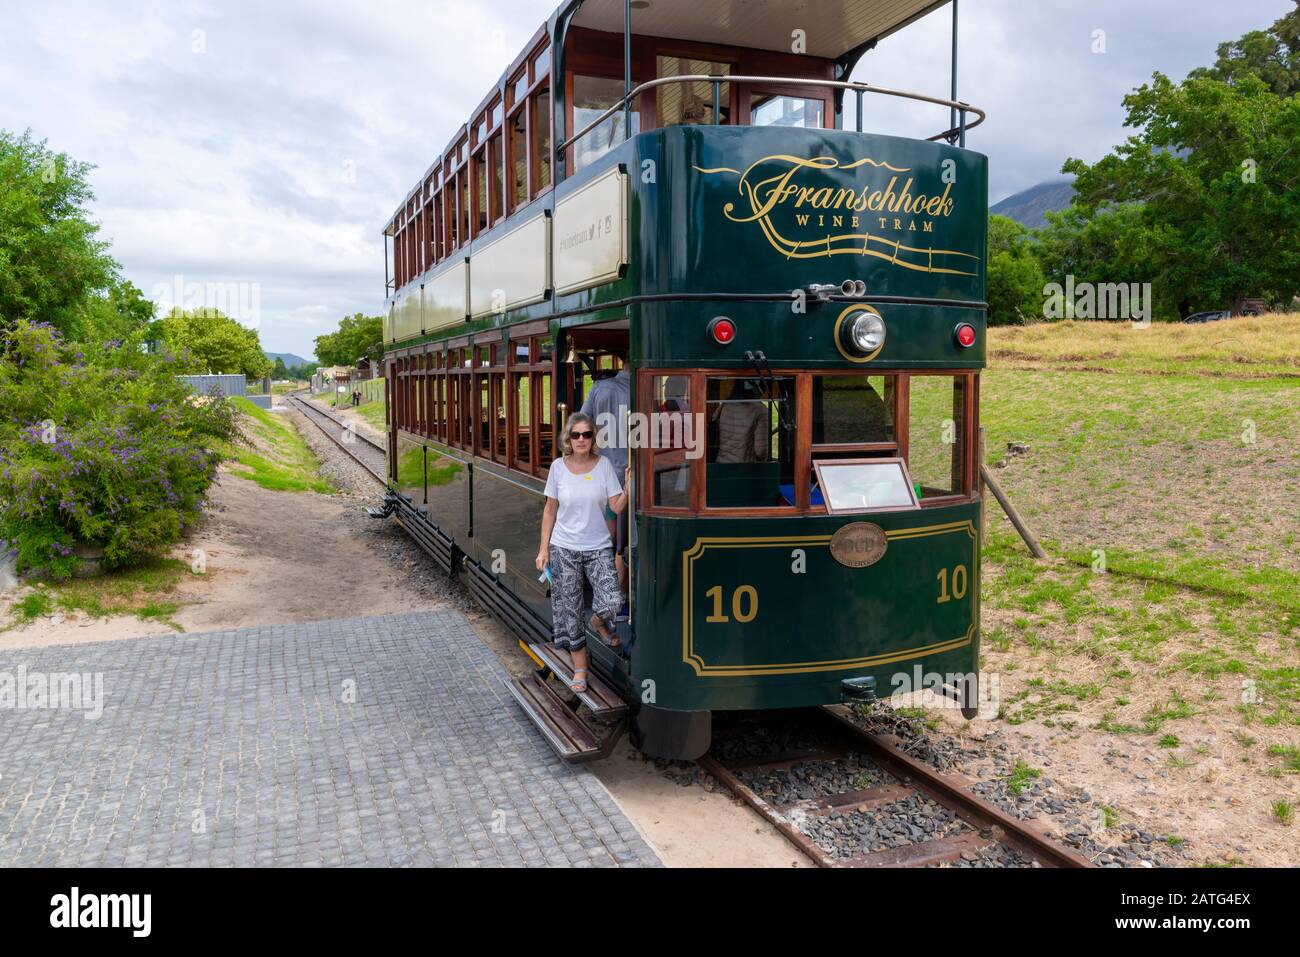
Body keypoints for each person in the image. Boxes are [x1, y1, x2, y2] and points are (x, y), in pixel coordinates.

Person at [536, 412, 632, 693]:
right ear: (568, 439)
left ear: (593, 439)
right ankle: (580, 669)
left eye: (586, 435)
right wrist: (543, 549)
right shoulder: (557, 468)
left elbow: (616, 507)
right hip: (564, 547)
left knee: (613, 599)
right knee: (570, 609)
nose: (581, 440)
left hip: (598, 546)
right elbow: (550, 509)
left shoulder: (603, 467)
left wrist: (627, 487)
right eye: (575, 435)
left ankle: (599, 620)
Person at [580, 354, 631, 585]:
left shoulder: (600, 388)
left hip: (601, 475)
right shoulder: (644, 390)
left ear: (622, 363)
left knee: (606, 536)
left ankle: (602, 586)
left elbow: (582, 423)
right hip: (630, 477)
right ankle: (618, 592)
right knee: (624, 540)